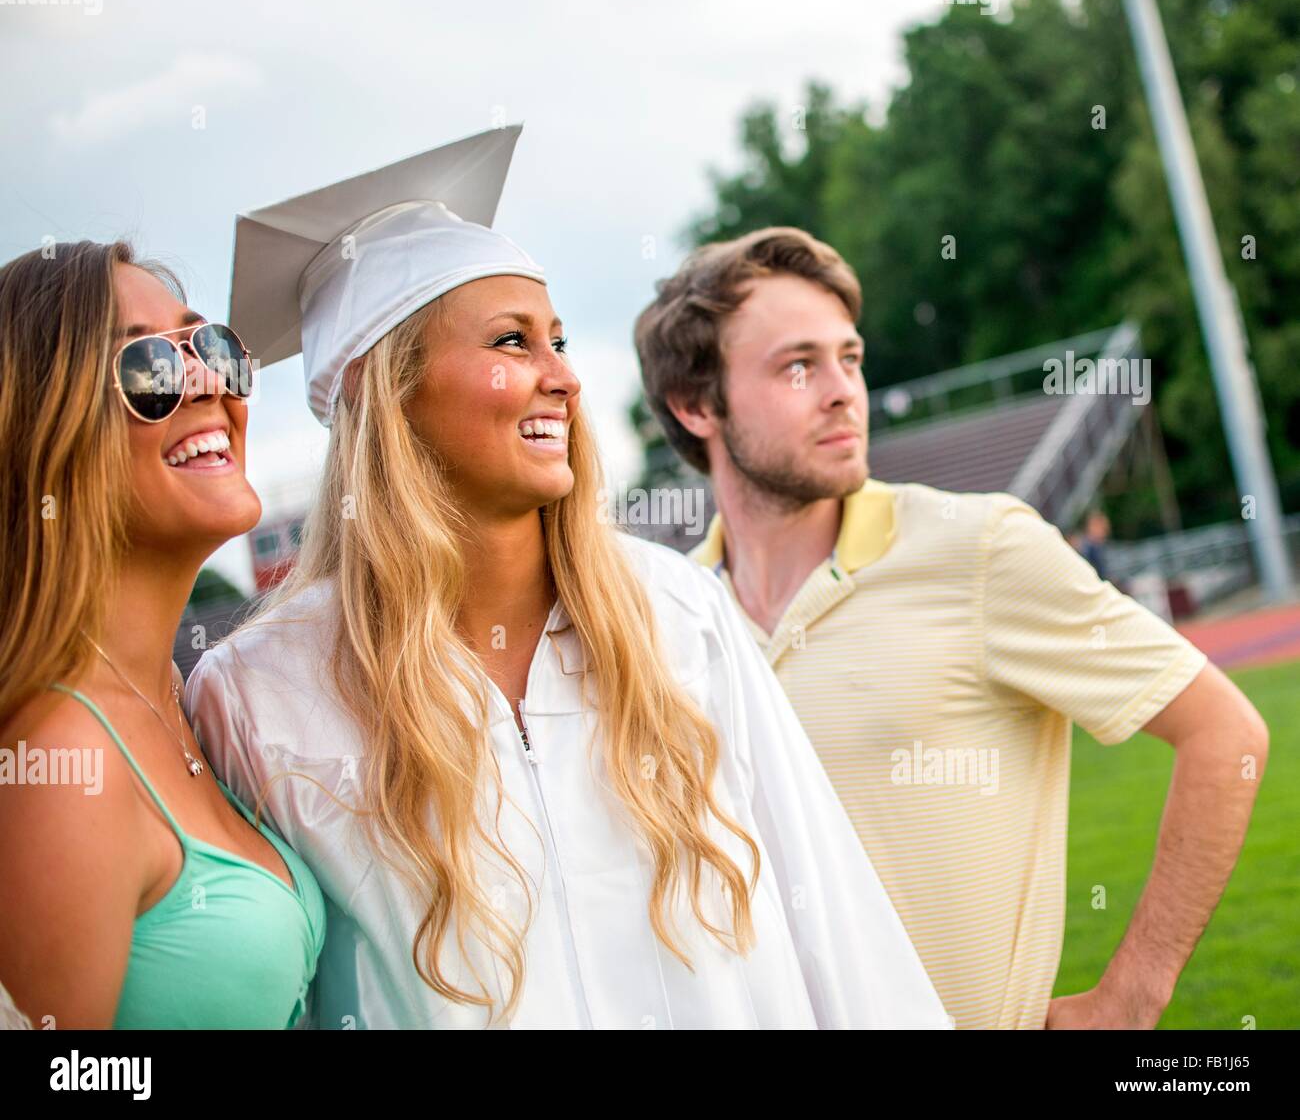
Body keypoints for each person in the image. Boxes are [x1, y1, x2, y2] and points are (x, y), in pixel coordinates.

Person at [185, 126, 951, 1029]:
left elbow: (836, 925)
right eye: (513, 342)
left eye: (558, 339)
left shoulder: (677, 617)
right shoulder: (262, 695)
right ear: (384, 391)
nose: (564, 378)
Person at [634, 225, 1270, 1029]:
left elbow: (1227, 734)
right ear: (696, 405)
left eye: (851, 358)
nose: (843, 390)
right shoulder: (671, 616)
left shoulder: (980, 549)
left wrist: (1131, 995)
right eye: (799, 365)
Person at [0, 241, 326, 1028]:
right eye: (150, 365)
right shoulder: (61, 756)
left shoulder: (173, 697)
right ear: (47, 432)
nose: (210, 381)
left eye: (212, 347)